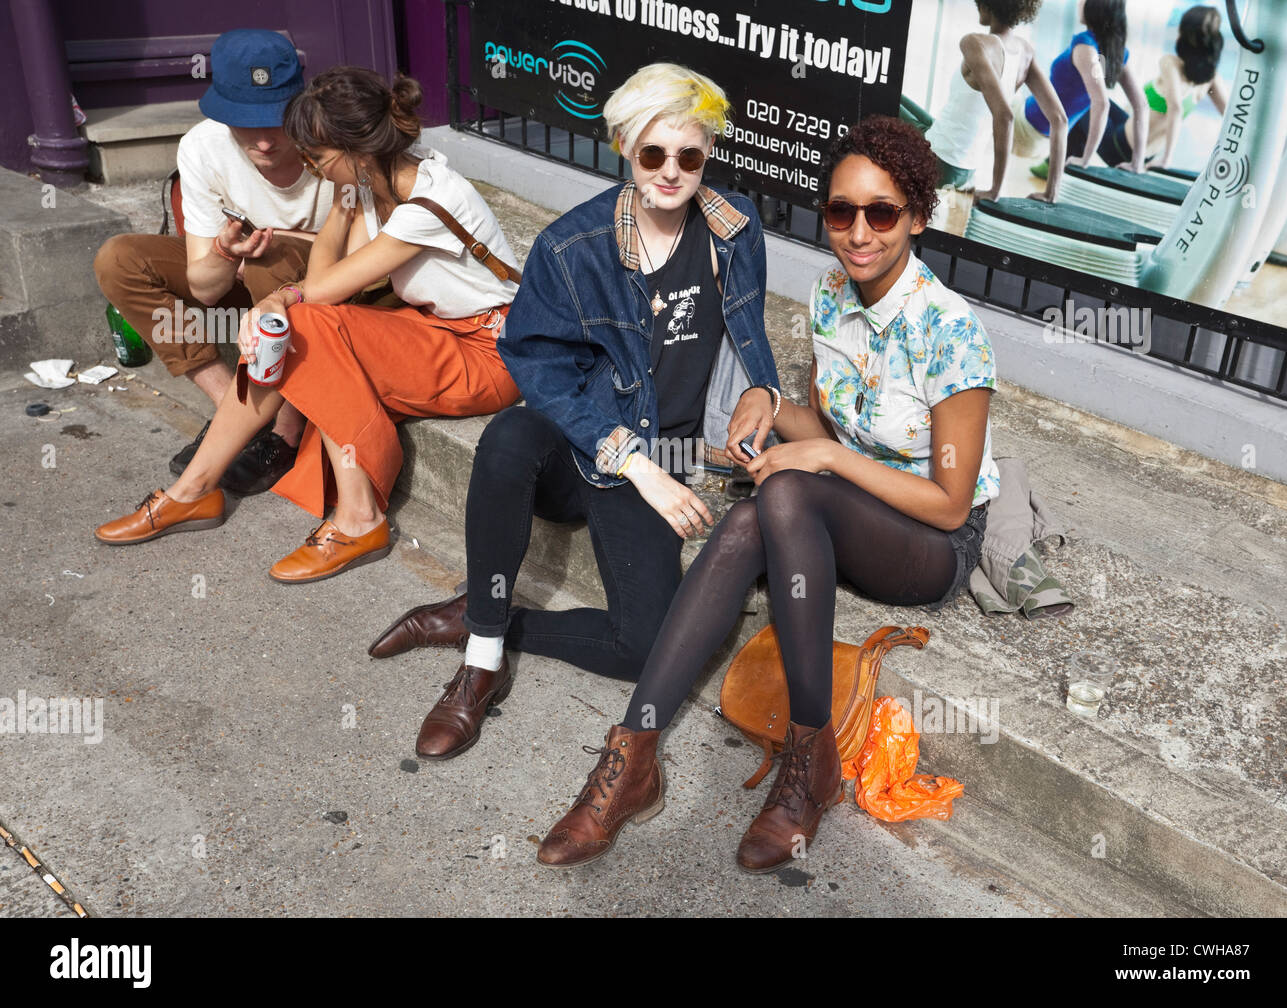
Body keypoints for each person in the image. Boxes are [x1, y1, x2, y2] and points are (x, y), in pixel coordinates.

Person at [534, 115, 1001, 873]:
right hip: (850, 511)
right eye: (841, 211)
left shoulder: (949, 330)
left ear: (916, 217)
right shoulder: (830, 296)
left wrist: (817, 457)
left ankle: (808, 764)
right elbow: (833, 428)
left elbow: (949, 502)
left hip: (928, 542)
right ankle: (634, 755)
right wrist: (767, 402)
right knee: (760, 508)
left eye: (881, 213)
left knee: (783, 492)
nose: (858, 232)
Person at [364, 64, 781, 764]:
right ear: (623, 144)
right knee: (509, 437)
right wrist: (636, 463)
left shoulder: (735, 230)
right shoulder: (571, 247)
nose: (672, 172)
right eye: (654, 154)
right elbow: (534, 363)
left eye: (690, 155)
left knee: (642, 646)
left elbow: (750, 331)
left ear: (708, 153)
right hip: (593, 442)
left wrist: (761, 391)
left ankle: (483, 619)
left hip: (667, 452)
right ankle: (482, 662)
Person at [94, 67, 521, 584]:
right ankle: (194, 490)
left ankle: (358, 517)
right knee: (306, 325)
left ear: (355, 149)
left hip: (486, 351)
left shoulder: (429, 199)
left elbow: (327, 289)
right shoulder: (376, 181)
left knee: (303, 326)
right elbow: (326, 281)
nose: (315, 171)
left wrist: (273, 300)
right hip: (434, 333)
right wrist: (343, 211)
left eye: (319, 159)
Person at [94, 29, 331, 494]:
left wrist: (278, 239)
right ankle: (235, 411)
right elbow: (205, 289)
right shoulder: (203, 146)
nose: (264, 142)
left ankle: (285, 430)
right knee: (118, 258)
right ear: (221, 110)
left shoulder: (332, 135)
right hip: (244, 282)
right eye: (246, 122)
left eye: (277, 120)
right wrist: (225, 251)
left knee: (271, 261)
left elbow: (369, 249)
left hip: (321, 284)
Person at [924, 0, 1067, 211]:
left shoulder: (974, 43)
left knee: (891, 104)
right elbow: (1060, 120)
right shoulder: (1025, 52)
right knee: (907, 106)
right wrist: (1051, 192)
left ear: (988, 5)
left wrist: (995, 190)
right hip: (965, 170)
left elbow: (1005, 116)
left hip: (938, 161)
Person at [1083, 5, 1228, 170]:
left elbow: (1176, 108)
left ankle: (1058, 163)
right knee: (1100, 102)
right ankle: (1065, 159)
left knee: (1083, 100)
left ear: (1185, 36)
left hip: (1122, 147)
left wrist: (1167, 160)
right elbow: (1229, 114)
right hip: (1142, 149)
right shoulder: (1211, 78)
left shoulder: (1171, 63)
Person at [1017, 0, 1149, 176]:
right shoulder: (1116, 53)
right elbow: (1141, 105)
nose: (1079, 3)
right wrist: (1137, 163)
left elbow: (1101, 103)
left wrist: (1085, 160)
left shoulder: (1084, 45)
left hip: (1027, 126)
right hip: (1045, 135)